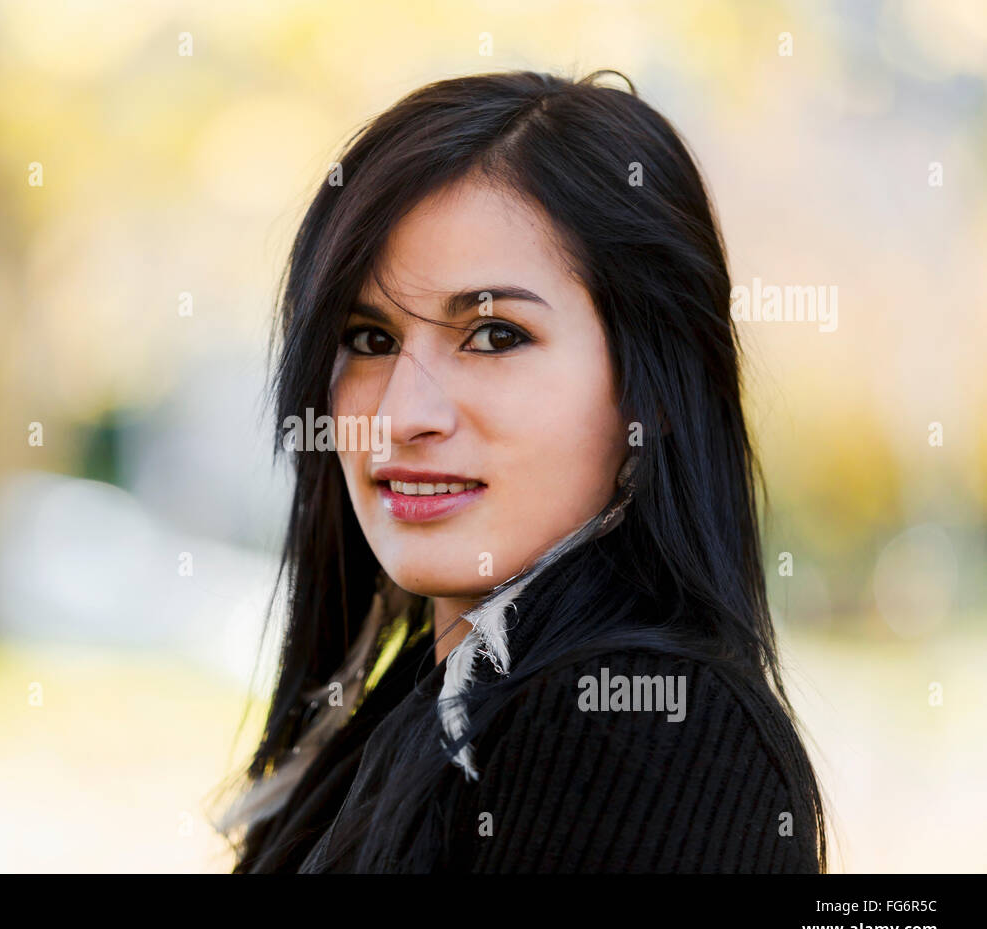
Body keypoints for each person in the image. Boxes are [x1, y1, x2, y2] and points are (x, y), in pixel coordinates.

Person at [215, 69, 828, 873]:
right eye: (368, 339)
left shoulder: (642, 731)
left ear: (655, 387)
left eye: (495, 335)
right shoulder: (407, 719)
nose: (403, 414)